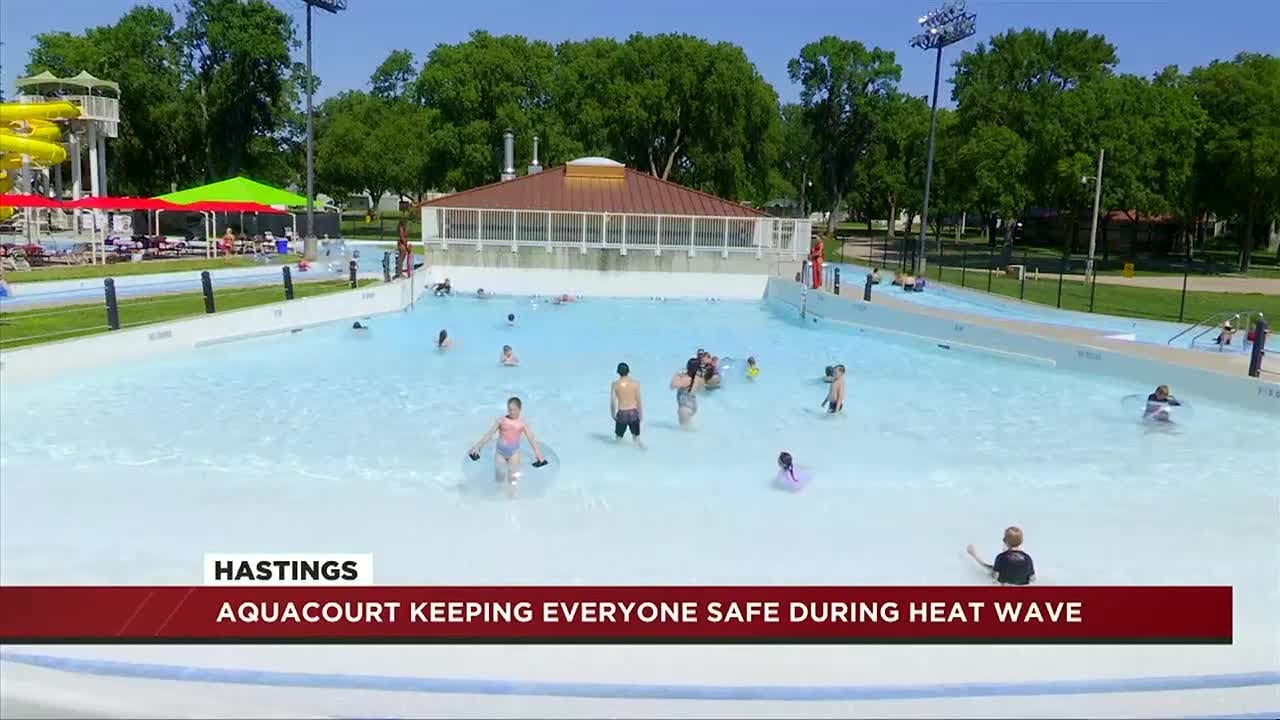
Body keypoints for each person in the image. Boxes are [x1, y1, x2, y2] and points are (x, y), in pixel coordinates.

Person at [467, 397, 548, 485]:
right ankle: (500, 495)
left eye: (515, 410)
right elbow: (489, 434)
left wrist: (538, 455)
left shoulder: (522, 423)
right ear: (507, 409)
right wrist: (478, 447)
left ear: (520, 409)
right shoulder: (501, 420)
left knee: (512, 480)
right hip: (500, 454)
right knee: (499, 479)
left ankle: (511, 495)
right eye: (510, 409)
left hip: (514, 454)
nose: (512, 412)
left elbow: (531, 439)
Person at [967, 527, 1036, 586]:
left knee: (989, 569)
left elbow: (995, 576)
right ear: (1021, 541)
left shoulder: (1001, 557)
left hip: (1004, 583)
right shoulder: (1027, 558)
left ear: (1005, 541)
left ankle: (974, 555)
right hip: (1021, 583)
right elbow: (1033, 578)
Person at [611, 362, 644, 446]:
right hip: (633, 413)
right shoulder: (635, 383)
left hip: (622, 413)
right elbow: (638, 400)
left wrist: (613, 414)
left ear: (618, 372)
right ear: (628, 371)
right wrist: (640, 415)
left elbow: (613, 402)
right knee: (636, 439)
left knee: (618, 439)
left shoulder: (615, 384)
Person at [671, 358, 703, 427]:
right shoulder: (696, 379)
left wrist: (677, 374)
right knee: (687, 429)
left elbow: (673, 386)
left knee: (684, 431)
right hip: (692, 404)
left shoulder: (687, 379)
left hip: (685, 407)